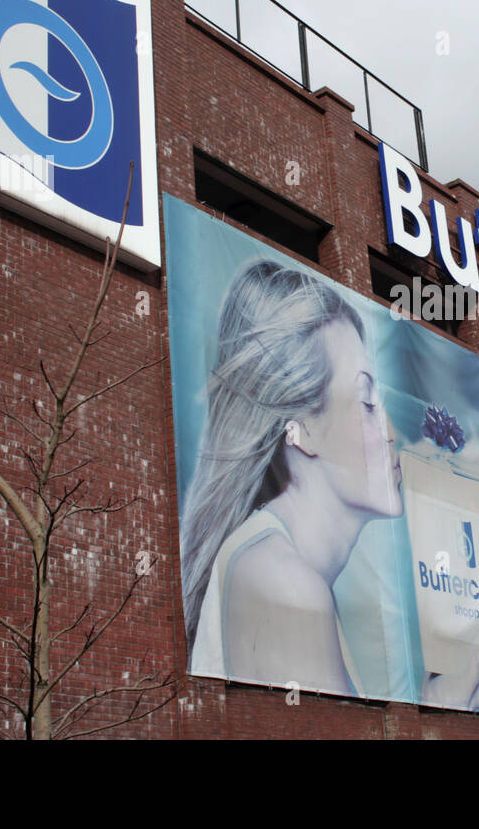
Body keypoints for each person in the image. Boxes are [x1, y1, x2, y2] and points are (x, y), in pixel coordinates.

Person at [180, 259, 400, 696]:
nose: (392, 435)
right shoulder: (287, 588)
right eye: (366, 403)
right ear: (302, 430)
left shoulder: (279, 570)